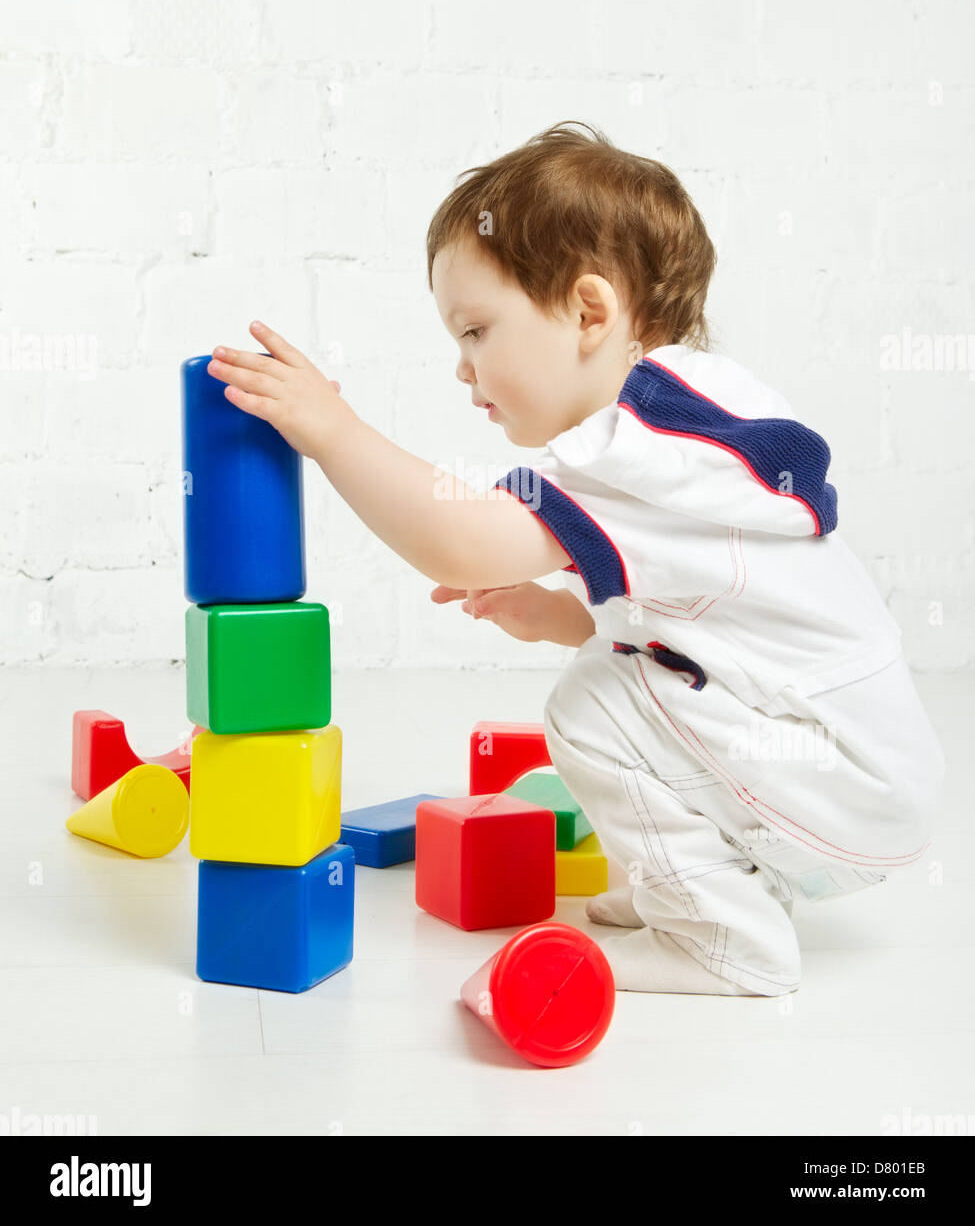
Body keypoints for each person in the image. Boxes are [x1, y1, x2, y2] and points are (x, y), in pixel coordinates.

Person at [207, 121, 945, 996]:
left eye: (476, 331)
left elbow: (459, 537)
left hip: (840, 785)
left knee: (594, 706)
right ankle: (702, 881)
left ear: (590, 312)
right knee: (612, 666)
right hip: (858, 778)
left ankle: (724, 940)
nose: (461, 368)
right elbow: (708, 617)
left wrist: (331, 431)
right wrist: (564, 614)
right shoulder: (694, 413)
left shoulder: (635, 449)